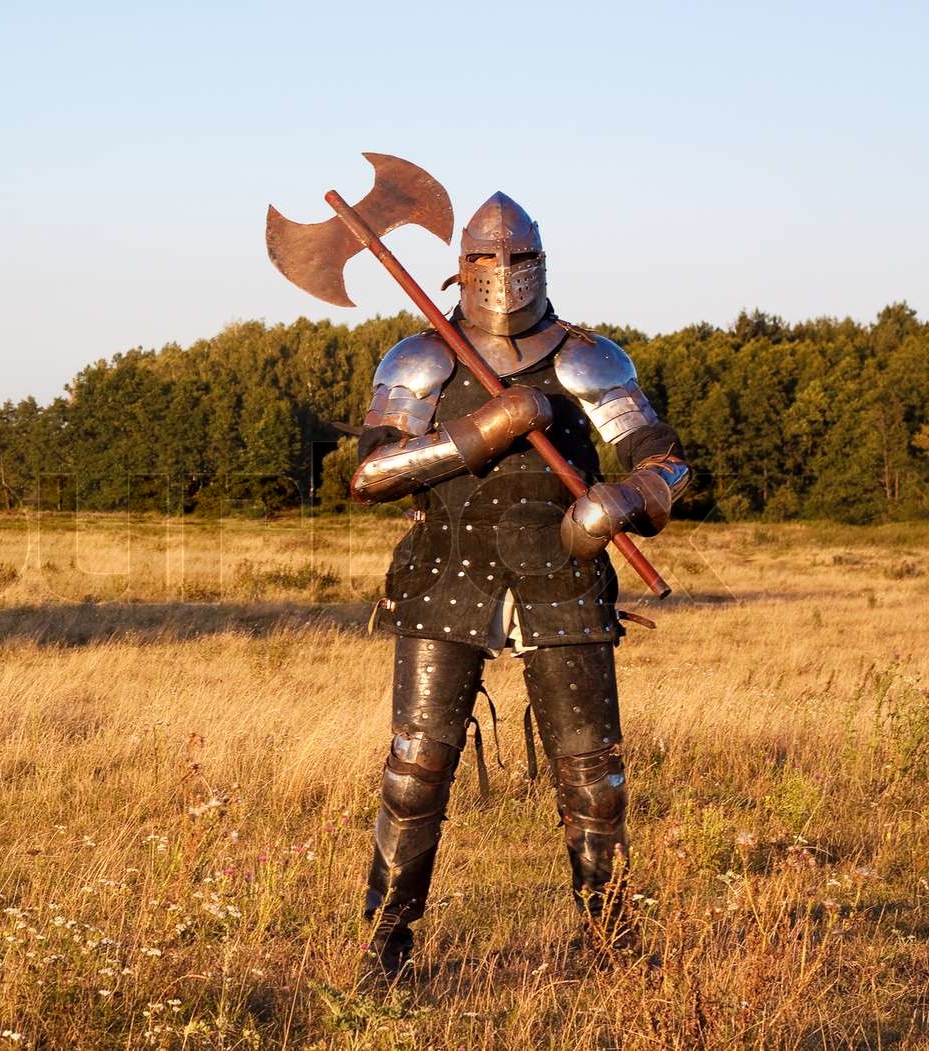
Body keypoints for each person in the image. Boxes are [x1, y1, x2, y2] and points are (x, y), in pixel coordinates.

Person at [348, 191, 691, 980]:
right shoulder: (420, 357)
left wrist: (624, 499)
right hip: (445, 573)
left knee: (594, 776)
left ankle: (609, 935)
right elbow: (371, 475)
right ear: (459, 267)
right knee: (414, 772)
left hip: (563, 576)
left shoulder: (588, 357)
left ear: (543, 261)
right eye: (484, 258)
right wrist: (481, 431)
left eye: (520, 256)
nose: (503, 272)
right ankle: (388, 943)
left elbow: (664, 457)